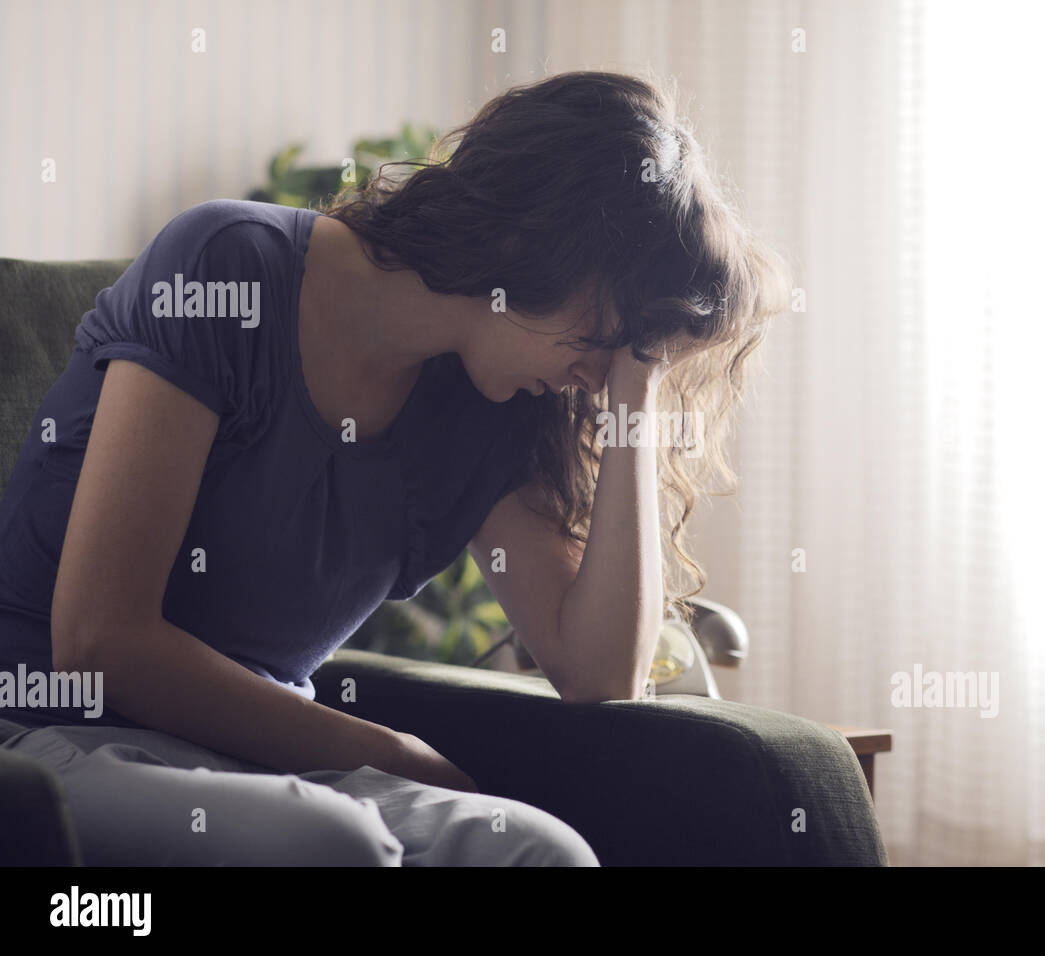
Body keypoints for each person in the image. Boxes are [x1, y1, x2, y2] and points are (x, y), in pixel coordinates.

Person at [0, 70, 790, 866]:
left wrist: (636, 386)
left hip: (265, 769)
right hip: (52, 738)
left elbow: (599, 673)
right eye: (608, 332)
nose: (594, 375)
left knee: (541, 852)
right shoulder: (225, 266)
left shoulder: (495, 406)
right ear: (538, 245)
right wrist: (398, 755)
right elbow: (101, 641)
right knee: (333, 843)